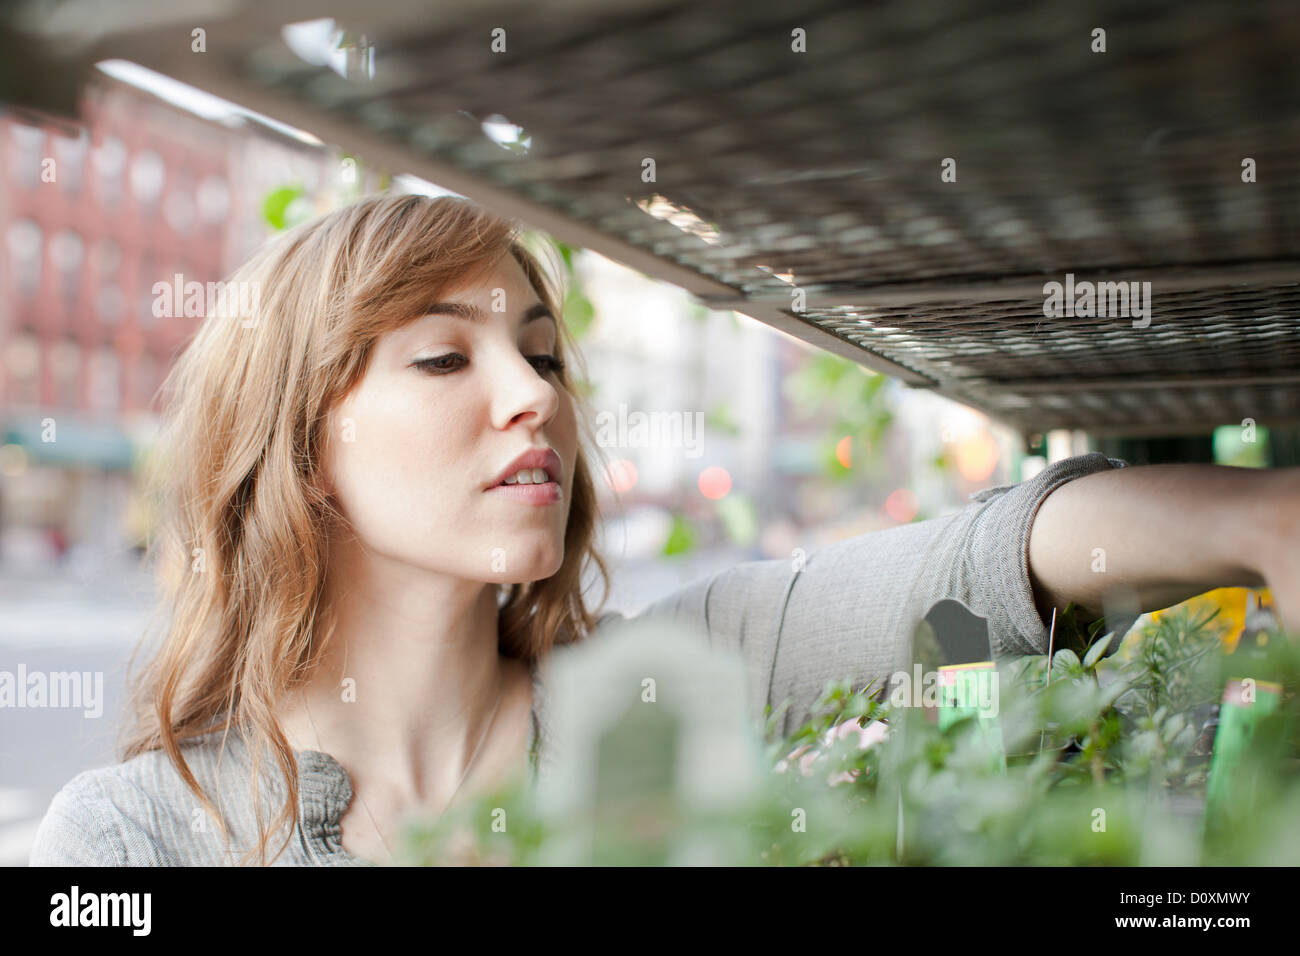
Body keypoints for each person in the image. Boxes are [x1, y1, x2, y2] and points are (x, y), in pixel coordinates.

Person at [28, 193, 1299, 866]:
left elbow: (974, 562)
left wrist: (1261, 514)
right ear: (301, 447)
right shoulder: (132, 839)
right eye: (439, 357)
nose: (533, 394)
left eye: (538, 351)